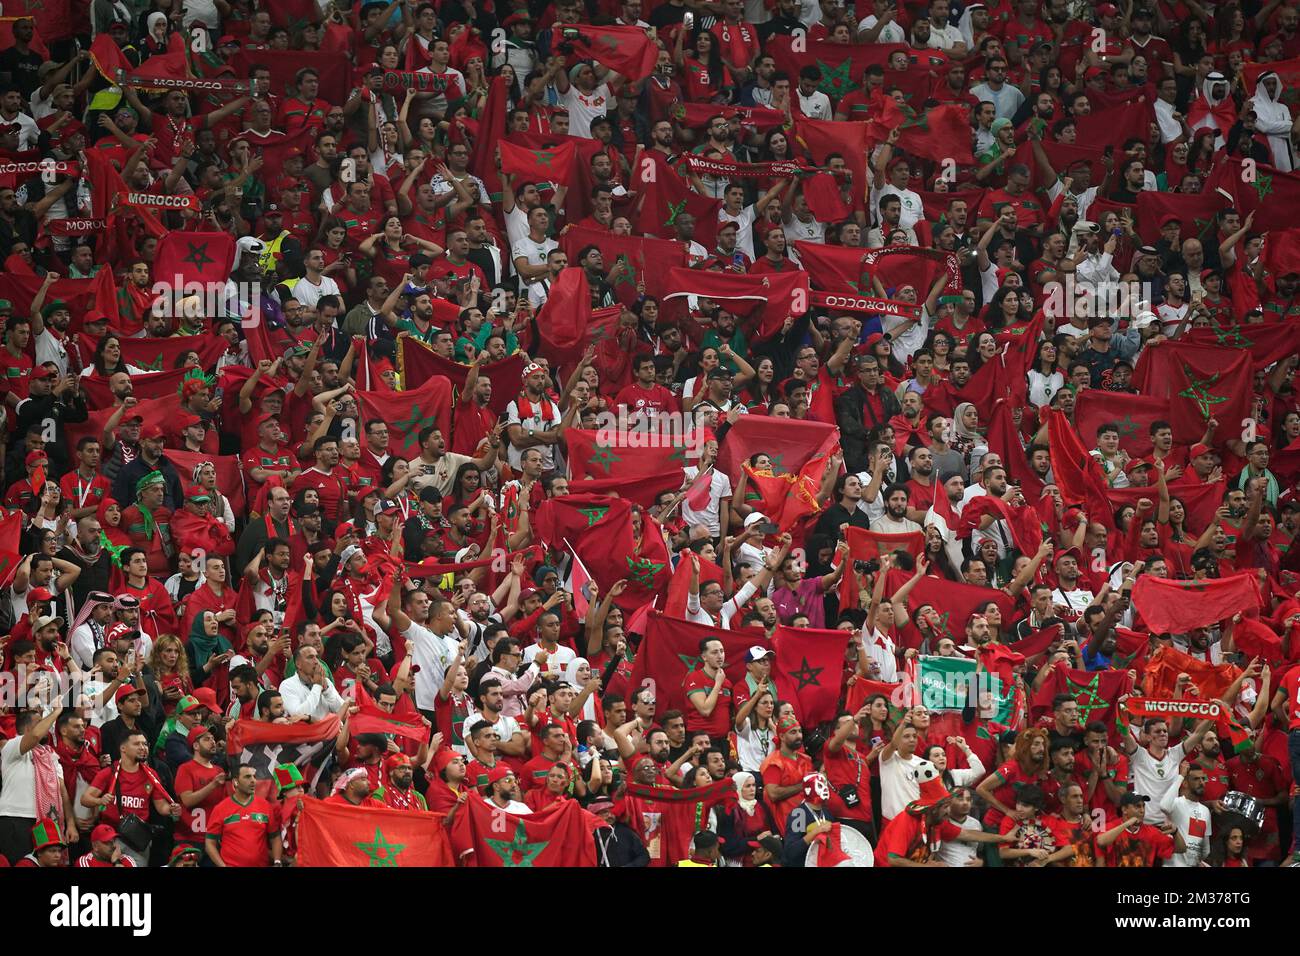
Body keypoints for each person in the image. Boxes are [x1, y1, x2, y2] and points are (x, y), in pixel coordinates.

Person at [206, 765, 283, 868]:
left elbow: (275, 838)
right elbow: (210, 843)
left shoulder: (265, 806)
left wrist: (277, 862)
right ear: (235, 782)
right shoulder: (220, 809)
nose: (253, 781)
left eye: (254, 777)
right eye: (247, 777)